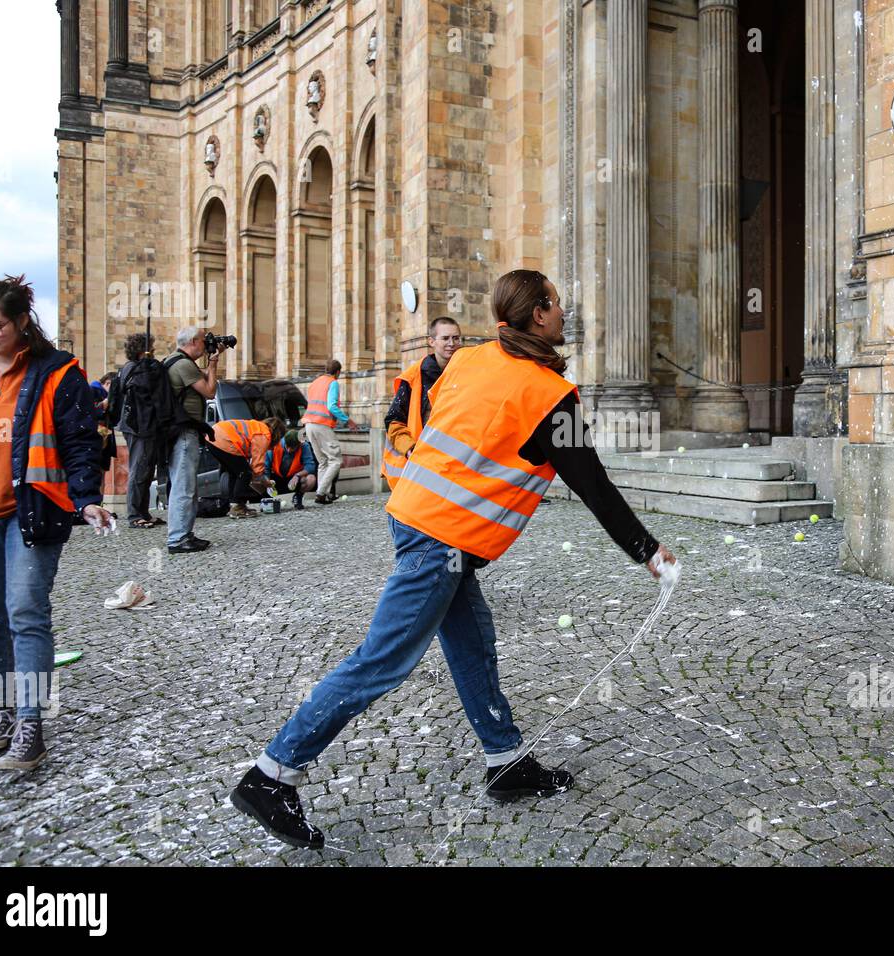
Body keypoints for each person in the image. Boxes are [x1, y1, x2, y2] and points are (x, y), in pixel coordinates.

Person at [230, 269, 677, 849]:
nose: (564, 315)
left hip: (416, 514)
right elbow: (591, 482)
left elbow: (453, 423)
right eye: (558, 306)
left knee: (471, 644)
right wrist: (646, 550)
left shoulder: (469, 360)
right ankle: (272, 774)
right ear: (539, 314)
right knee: (381, 662)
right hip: (441, 537)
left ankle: (505, 759)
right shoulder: (547, 394)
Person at [0, 276, 115, 770]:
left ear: (22, 320)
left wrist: (87, 499)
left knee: (25, 613)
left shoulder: (58, 372)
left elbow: (81, 441)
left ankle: (30, 723)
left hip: (34, 510)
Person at [381, 316, 461, 489]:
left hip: (454, 461)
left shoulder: (466, 372)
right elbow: (394, 420)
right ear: (431, 341)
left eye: (456, 338)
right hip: (420, 461)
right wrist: (409, 447)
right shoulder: (413, 377)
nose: (451, 343)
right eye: (445, 338)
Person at [163, 328, 219, 553]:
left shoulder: (175, 361)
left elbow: (201, 381)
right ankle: (177, 539)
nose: (206, 345)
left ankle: (185, 533)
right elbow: (210, 391)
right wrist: (213, 364)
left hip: (179, 431)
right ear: (194, 341)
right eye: (204, 342)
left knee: (185, 485)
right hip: (184, 432)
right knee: (183, 486)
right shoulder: (183, 364)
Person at [114, 333, 165, 529]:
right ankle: (135, 515)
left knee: (145, 467)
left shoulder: (131, 368)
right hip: (138, 426)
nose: (152, 351)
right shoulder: (135, 369)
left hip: (138, 425)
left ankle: (142, 512)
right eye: (150, 348)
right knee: (140, 467)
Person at [300, 358, 361, 505]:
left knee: (323, 462)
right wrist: (348, 420)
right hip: (322, 424)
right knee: (336, 460)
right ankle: (321, 493)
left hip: (309, 424)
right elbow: (332, 406)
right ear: (338, 372)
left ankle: (323, 494)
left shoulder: (315, 383)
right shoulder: (332, 383)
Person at [207, 417, 286, 519]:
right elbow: (257, 467)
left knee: (235, 473)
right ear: (277, 435)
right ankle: (238, 507)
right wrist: (265, 482)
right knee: (245, 473)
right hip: (225, 440)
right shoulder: (264, 434)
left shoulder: (257, 427)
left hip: (213, 437)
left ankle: (234, 505)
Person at [265, 429, 318, 509]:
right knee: (258, 479)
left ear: (299, 444)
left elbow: (310, 466)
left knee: (311, 479)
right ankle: (266, 502)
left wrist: (298, 475)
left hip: (295, 479)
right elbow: (266, 467)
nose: (289, 450)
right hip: (276, 478)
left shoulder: (304, 446)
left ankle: (298, 497)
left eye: (293, 447)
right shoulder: (275, 444)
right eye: (287, 446)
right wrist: (267, 481)